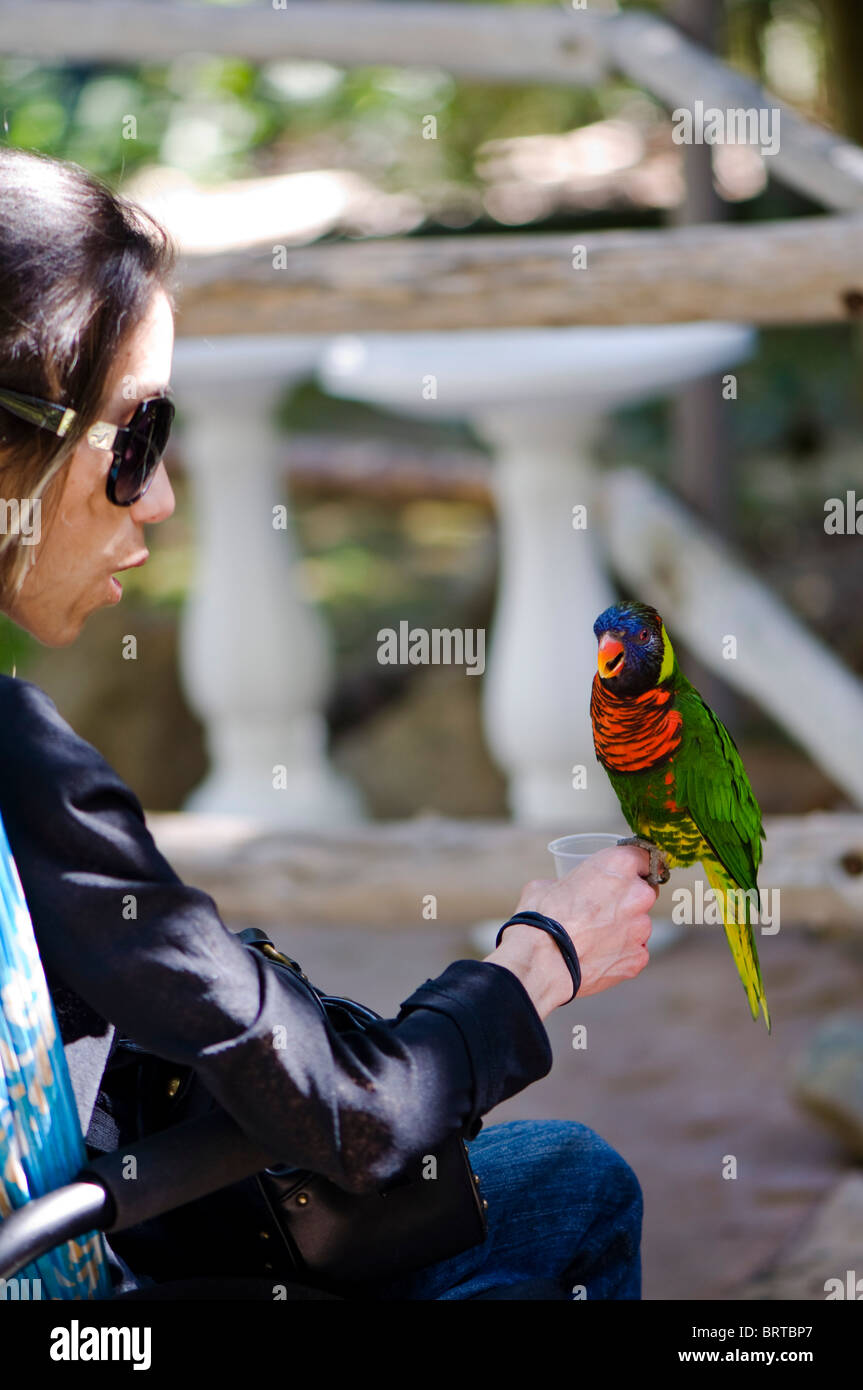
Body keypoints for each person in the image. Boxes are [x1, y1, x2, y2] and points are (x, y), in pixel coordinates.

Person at [0, 146, 657, 1301]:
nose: (159, 494)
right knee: (569, 1199)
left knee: (542, 1182)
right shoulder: (21, 769)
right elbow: (354, 1111)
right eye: (137, 438)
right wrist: (538, 961)